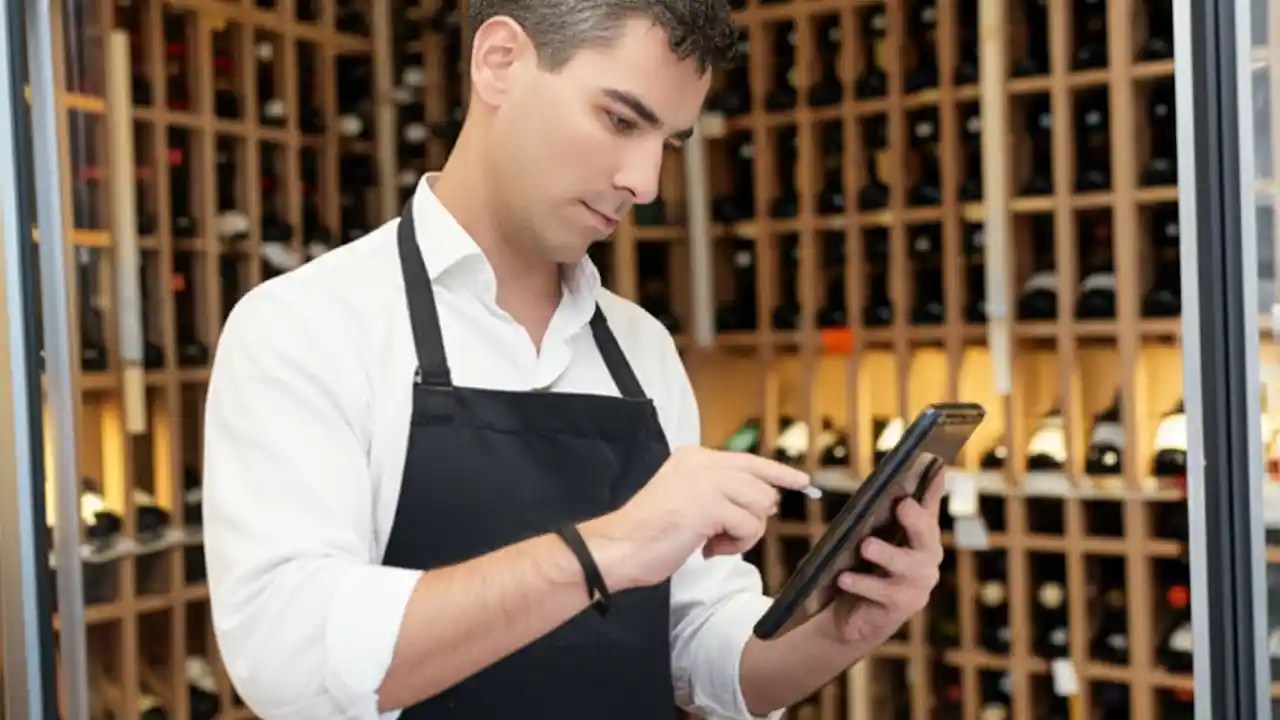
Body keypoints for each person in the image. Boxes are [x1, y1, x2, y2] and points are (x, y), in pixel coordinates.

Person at [200, 1, 946, 718]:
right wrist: (613, 546)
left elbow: (696, 655)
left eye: (669, 144)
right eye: (620, 120)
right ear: (499, 62)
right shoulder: (307, 328)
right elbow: (291, 664)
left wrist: (843, 630)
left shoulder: (640, 349)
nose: (645, 183)